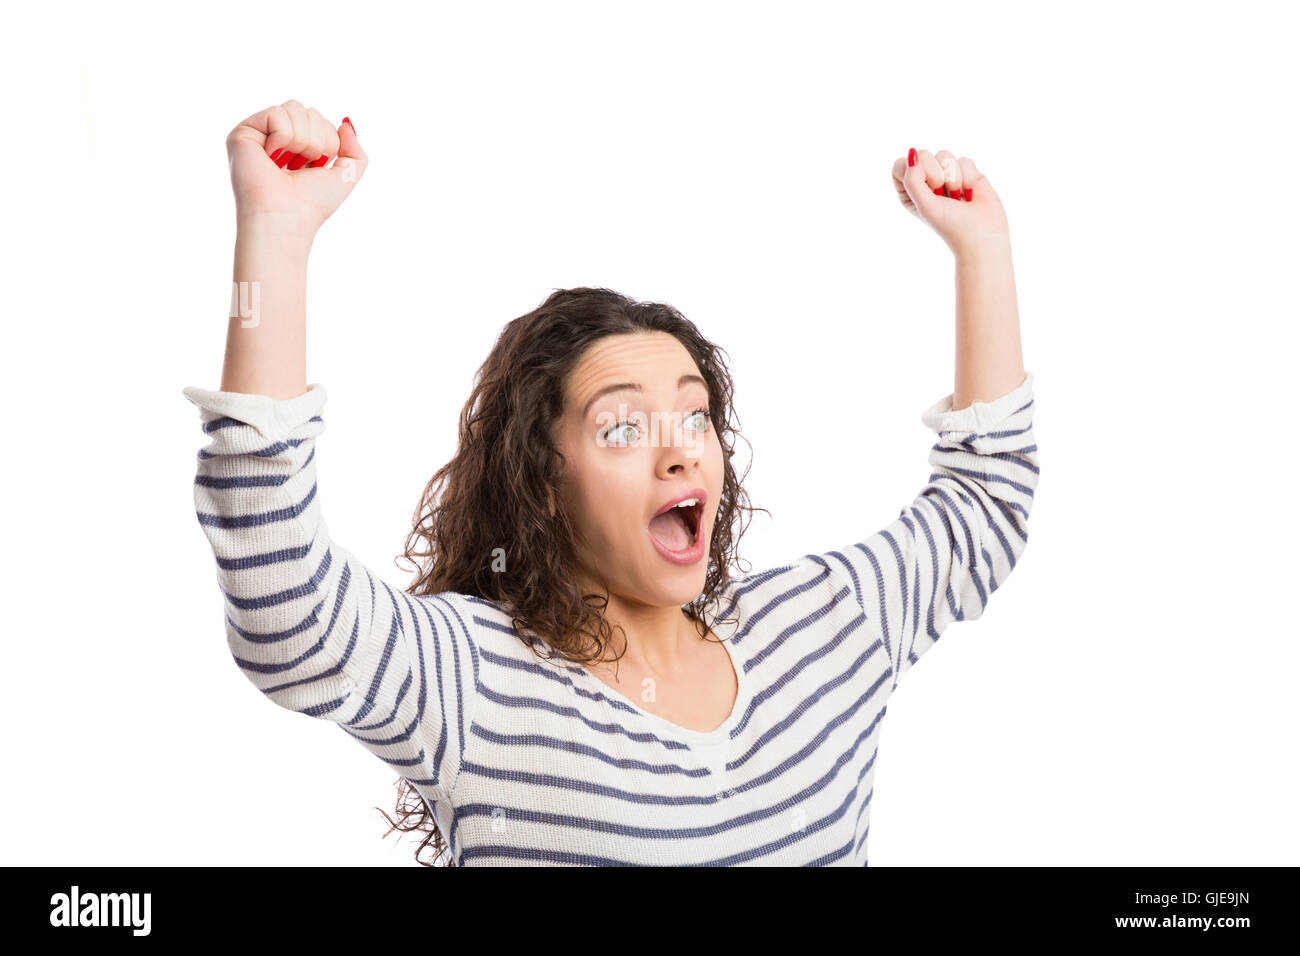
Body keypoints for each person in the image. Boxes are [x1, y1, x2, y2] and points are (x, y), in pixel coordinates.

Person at [184, 99, 1038, 867]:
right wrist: (275, 234)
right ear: (542, 483)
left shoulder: (820, 632)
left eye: (695, 417)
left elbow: (984, 505)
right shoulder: (482, 686)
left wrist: (985, 247)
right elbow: (286, 613)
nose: (680, 453)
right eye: (622, 427)